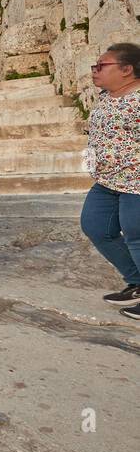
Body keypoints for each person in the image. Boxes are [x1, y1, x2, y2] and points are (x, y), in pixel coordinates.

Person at [80, 43, 140, 319]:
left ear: (127, 69)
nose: (95, 71)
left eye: (102, 66)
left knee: (136, 235)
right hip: (106, 181)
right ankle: (136, 282)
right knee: (95, 226)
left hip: (136, 182)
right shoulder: (106, 96)